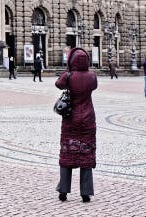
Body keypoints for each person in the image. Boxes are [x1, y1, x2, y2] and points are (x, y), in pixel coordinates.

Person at [55, 47, 98, 203]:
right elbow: (94, 86)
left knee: (67, 152)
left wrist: (68, 71)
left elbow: (58, 84)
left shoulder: (69, 76)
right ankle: (86, 192)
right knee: (86, 154)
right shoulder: (92, 76)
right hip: (88, 119)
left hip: (70, 119)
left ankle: (63, 190)